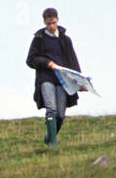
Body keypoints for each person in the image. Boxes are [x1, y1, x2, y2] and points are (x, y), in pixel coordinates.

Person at [25, 8, 81, 147]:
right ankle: (53, 144)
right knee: (51, 109)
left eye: (54, 22)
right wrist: (47, 63)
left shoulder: (65, 40)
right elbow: (30, 60)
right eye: (49, 23)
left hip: (62, 81)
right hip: (45, 78)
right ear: (44, 22)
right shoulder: (38, 40)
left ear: (57, 20)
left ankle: (49, 137)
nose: (51, 26)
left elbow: (72, 60)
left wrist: (79, 81)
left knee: (61, 115)